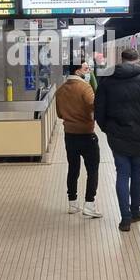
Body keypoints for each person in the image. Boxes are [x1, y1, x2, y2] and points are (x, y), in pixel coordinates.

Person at [93, 48, 140, 232]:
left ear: (121, 60)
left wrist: (106, 128)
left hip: (117, 135)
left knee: (122, 174)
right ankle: (136, 210)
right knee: (138, 173)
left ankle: (125, 219)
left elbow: (99, 108)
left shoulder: (108, 80)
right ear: (137, 60)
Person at [55, 61, 102, 218]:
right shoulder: (85, 88)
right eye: (85, 68)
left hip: (70, 136)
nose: (88, 70)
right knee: (92, 170)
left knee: (73, 169)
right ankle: (89, 204)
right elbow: (94, 106)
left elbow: (60, 114)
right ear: (77, 71)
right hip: (87, 135)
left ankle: (72, 204)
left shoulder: (61, 90)